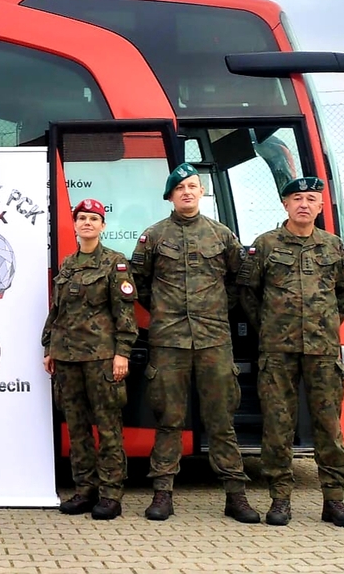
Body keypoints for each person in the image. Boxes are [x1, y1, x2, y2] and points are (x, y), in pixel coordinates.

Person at [129, 163, 260, 524]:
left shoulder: (221, 235)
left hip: (213, 340)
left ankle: (235, 495)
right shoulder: (154, 236)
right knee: (168, 418)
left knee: (221, 419)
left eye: (192, 186)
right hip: (169, 341)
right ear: (170, 196)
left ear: (202, 192)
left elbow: (240, 279)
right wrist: (164, 310)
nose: (187, 192)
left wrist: (217, 307)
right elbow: (138, 284)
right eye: (180, 188)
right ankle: (162, 493)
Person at [237, 177, 344, 528]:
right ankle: (280, 499)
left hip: (322, 350)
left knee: (328, 425)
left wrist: (326, 323)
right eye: (296, 198)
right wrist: (269, 325)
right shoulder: (266, 245)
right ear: (285, 204)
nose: (303, 204)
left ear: (320, 206)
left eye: (310, 199)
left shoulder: (332, 246)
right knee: (278, 425)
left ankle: (334, 500)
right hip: (277, 350)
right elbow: (247, 293)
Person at [41, 198, 138, 521]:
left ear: (102, 226)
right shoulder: (67, 264)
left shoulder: (114, 263)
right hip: (67, 358)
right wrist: (49, 348)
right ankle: (85, 490)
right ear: (75, 224)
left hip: (101, 358)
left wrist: (122, 353)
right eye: (82, 218)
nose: (87, 223)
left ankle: (110, 494)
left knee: (108, 427)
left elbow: (124, 314)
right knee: (77, 427)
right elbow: (57, 311)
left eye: (93, 219)